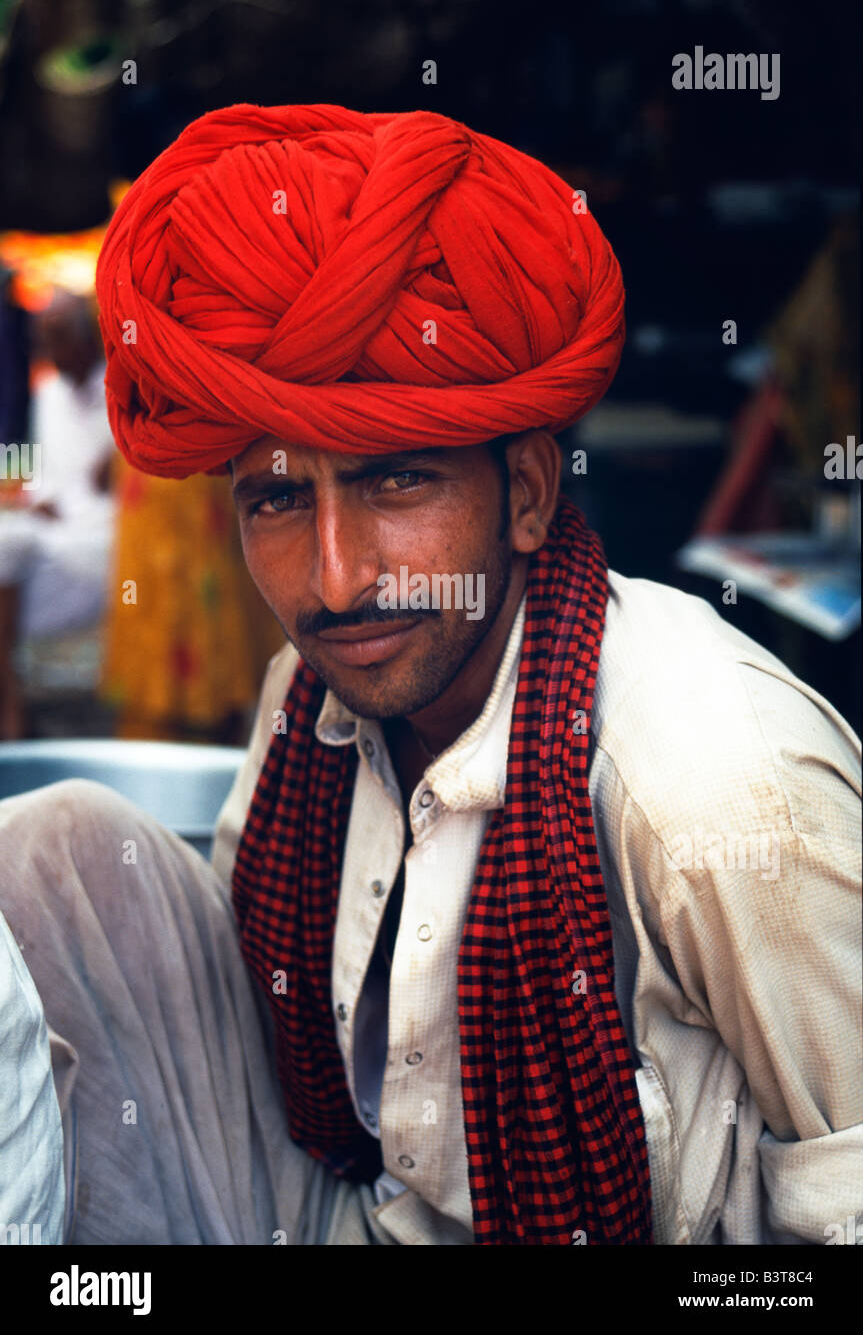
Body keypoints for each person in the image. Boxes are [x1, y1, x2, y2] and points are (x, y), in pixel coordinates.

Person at [0, 104, 859, 1246]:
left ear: (527, 492)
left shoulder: (719, 789)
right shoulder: (315, 691)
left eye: (394, 483)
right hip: (342, 1210)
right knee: (53, 848)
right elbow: (257, 1001)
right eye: (276, 497)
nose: (336, 578)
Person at [0, 288, 115, 738]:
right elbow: (35, 474)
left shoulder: (121, 391)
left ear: (89, 338)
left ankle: (9, 697)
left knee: (7, 544)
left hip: (100, 537)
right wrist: (30, 496)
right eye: (45, 339)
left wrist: (60, 505)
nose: (51, 351)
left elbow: (108, 490)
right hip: (46, 524)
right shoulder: (45, 392)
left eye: (60, 336)